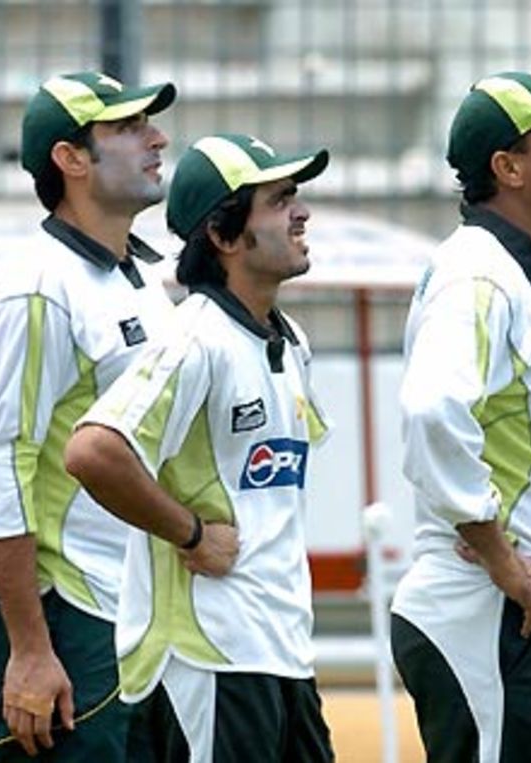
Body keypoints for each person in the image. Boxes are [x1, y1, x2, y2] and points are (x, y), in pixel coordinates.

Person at [63, 133, 336, 763]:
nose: (301, 212)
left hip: (280, 650)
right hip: (206, 653)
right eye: (279, 200)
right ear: (224, 233)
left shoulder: (289, 340)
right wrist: (189, 533)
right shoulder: (193, 337)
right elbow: (93, 451)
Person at [390, 71, 531, 762]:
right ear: (509, 167)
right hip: (493, 607)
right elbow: (431, 408)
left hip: (523, 606)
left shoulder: (512, 276)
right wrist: (498, 553)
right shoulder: (480, 276)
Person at [0, 71, 175, 761]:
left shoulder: (140, 278)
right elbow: (0, 461)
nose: (157, 137)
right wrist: (28, 648)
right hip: (66, 617)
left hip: (137, 612)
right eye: (128, 127)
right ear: (70, 159)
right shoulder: (32, 285)